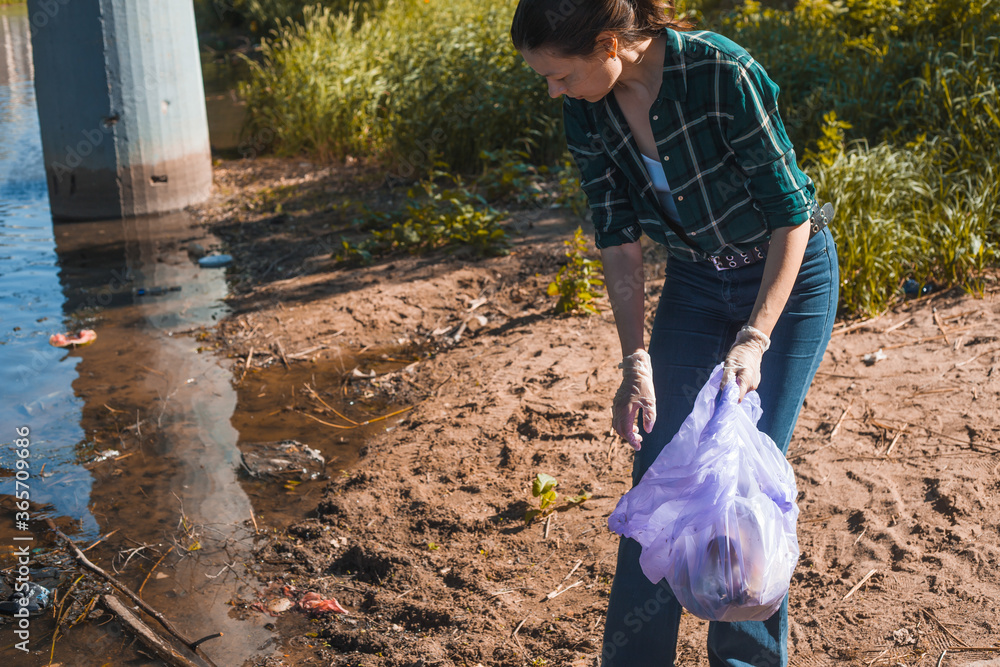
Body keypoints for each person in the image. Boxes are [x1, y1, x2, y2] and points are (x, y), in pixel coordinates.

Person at [510, 1, 839, 665]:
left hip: (785, 282)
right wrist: (635, 358)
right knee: (661, 477)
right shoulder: (588, 107)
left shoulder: (721, 72)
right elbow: (618, 235)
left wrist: (755, 337)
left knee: (738, 487)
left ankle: (744, 658)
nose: (553, 90)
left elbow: (791, 217)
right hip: (694, 283)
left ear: (608, 43)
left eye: (559, 75)